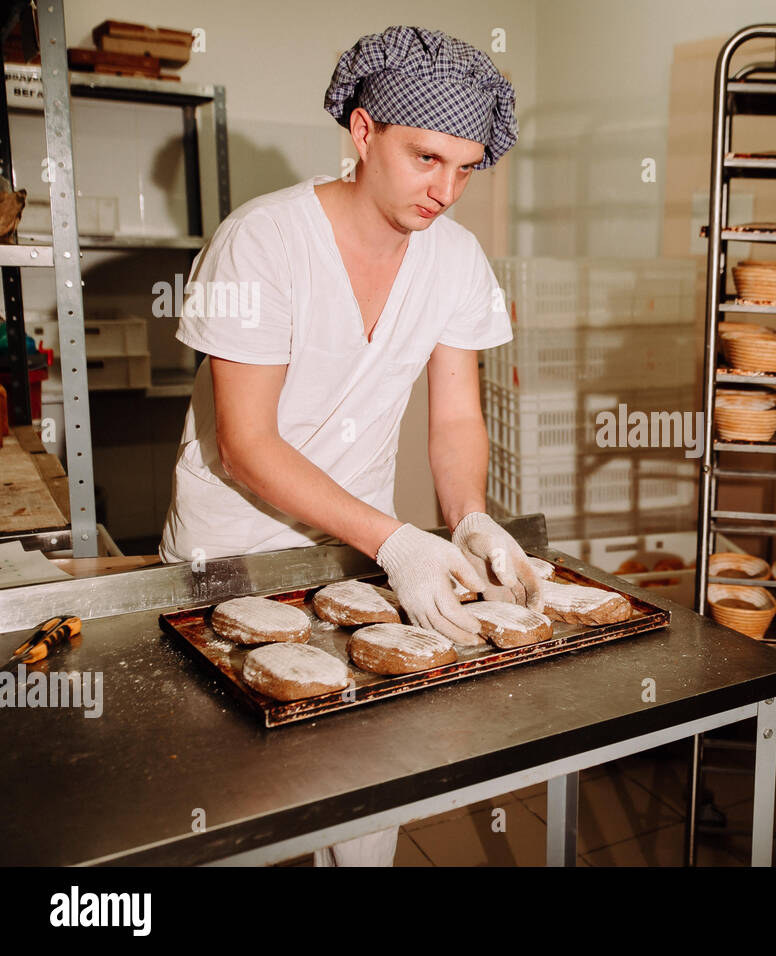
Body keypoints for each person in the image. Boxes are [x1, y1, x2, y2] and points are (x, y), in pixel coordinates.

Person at [157, 25, 541, 865]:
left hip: (355, 548)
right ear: (362, 133)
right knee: (229, 812)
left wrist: (468, 518)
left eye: (467, 167)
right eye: (426, 158)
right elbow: (247, 445)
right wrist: (397, 539)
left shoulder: (456, 259)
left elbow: (454, 418)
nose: (446, 190)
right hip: (231, 553)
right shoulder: (262, 243)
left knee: (365, 793)